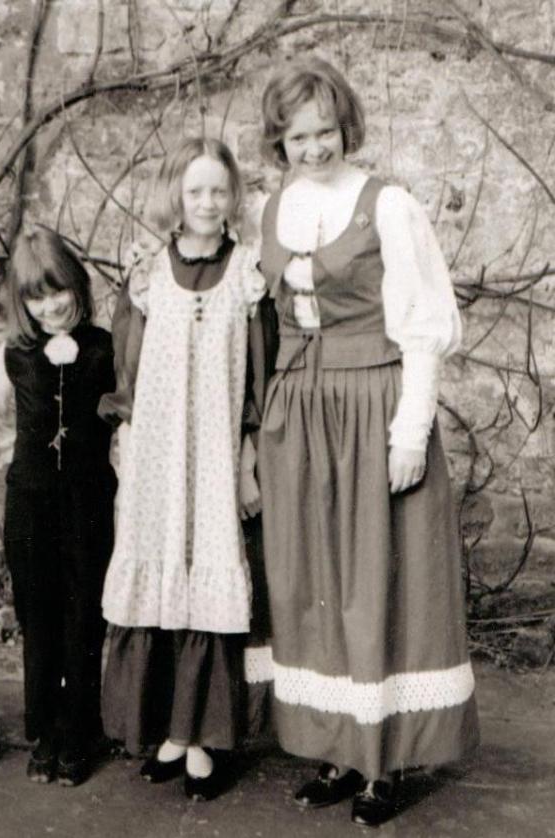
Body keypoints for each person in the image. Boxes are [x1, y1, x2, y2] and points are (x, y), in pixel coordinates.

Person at [247, 56, 479, 827]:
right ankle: (339, 749)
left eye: (325, 131)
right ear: (279, 142)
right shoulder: (272, 208)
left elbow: (423, 330)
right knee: (314, 577)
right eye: (297, 136)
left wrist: (410, 433)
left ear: (346, 125)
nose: (314, 147)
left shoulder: (389, 206)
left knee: (379, 579)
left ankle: (387, 761)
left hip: (373, 404)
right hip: (300, 415)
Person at [100, 137, 265, 801]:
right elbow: (126, 365)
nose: (207, 202)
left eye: (218, 190)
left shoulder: (249, 274)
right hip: (158, 452)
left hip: (217, 451)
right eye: (195, 190)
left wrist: (250, 452)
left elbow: (258, 376)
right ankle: (170, 730)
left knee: (210, 572)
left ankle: (205, 737)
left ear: (233, 196)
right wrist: (125, 434)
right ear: (176, 195)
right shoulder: (146, 273)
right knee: (160, 564)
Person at [0, 227, 117, 787]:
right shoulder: (11, 356)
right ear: (22, 302)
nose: (51, 306)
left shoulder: (105, 348)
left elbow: (122, 418)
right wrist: (14, 462)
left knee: (84, 614)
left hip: (88, 501)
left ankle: (80, 730)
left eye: (58, 290)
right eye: (36, 297)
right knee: (38, 614)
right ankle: (44, 731)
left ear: (77, 285)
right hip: (31, 503)